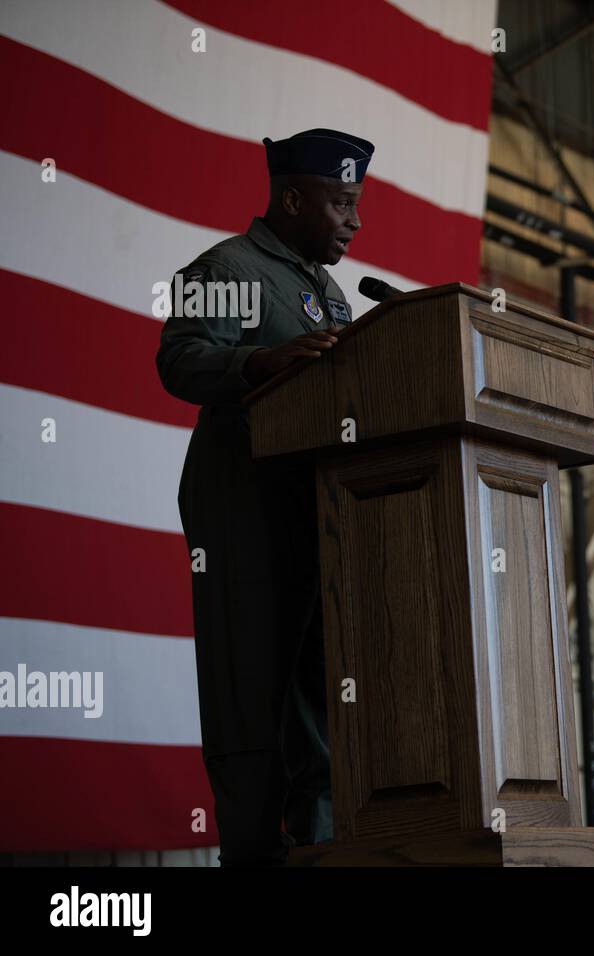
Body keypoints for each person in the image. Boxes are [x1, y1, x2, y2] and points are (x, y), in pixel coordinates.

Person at [156, 128, 373, 865]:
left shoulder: (332, 293)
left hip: (321, 522)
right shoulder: (227, 266)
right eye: (341, 202)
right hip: (244, 518)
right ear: (291, 197)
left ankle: (315, 847)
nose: (355, 219)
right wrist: (262, 362)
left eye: (357, 203)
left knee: (319, 701)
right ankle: (251, 855)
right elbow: (180, 359)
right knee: (250, 697)